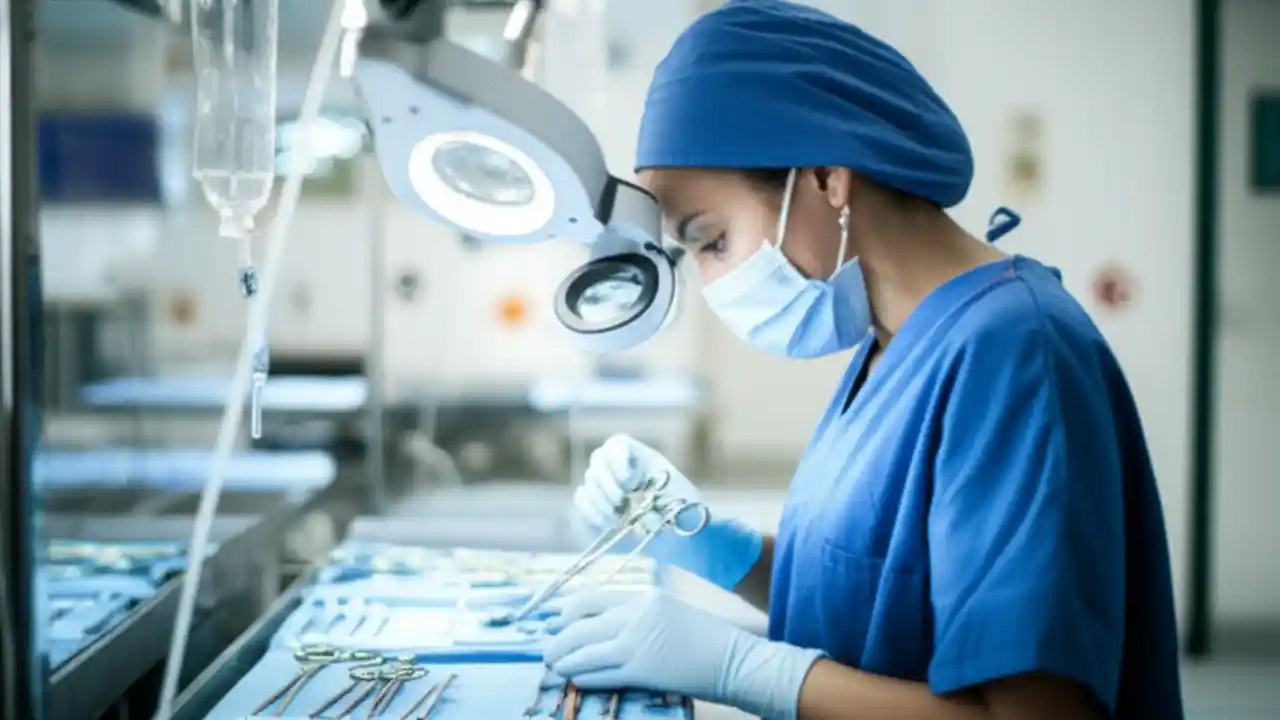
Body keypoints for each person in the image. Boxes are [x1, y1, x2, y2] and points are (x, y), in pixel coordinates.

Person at [541, 1, 1184, 719]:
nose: (713, 281)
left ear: (825, 177)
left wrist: (745, 669)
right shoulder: (889, 344)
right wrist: (709, 543)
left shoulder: (1015, 354)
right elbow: (877, 595)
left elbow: (1036, 715)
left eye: (711, 240)